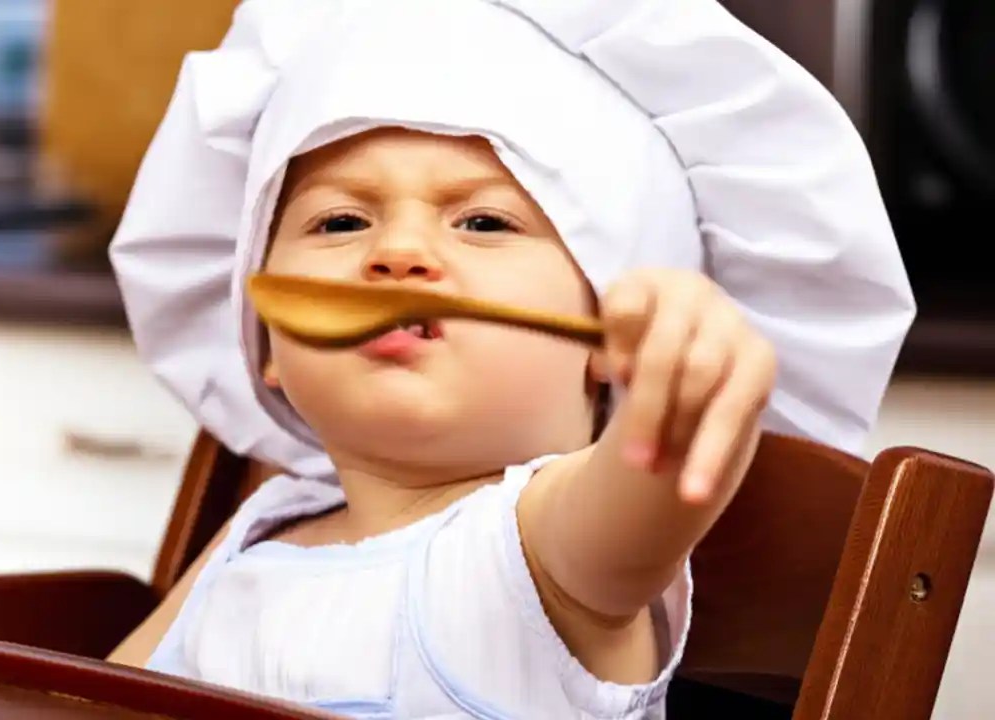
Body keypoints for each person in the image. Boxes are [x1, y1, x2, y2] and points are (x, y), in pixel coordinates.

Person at [105, 1, 916, 717]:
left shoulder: (542, 547)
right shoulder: (251, 536)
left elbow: (655, 473)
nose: (399, 251)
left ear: (606, 342)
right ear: (262, 339)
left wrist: (688, 360)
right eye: (341, 222)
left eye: (484, 223)